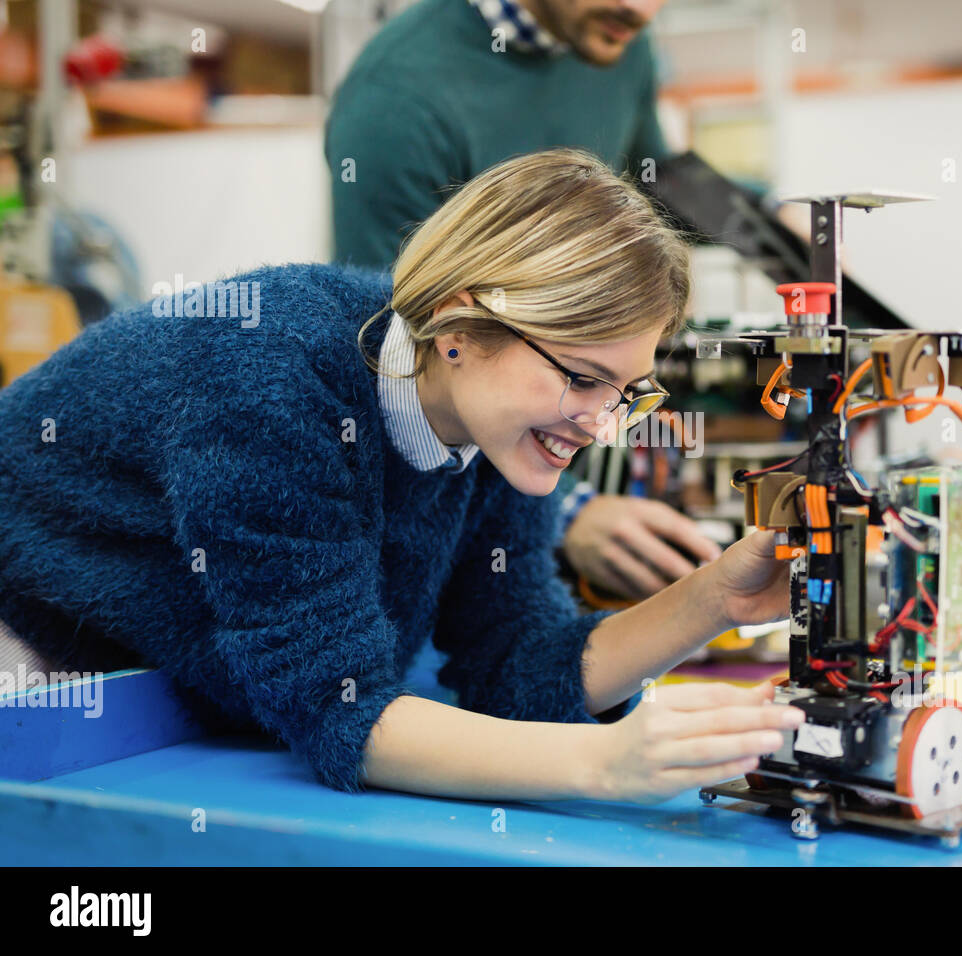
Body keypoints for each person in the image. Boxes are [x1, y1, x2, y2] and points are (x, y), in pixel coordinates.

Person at [0, 149, 804, 801]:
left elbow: (515, 661)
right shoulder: (272, 379)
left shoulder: (498, 425)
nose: (600, 423)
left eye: (627, 392)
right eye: (583, 379)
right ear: (458, 325)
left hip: (162, 683)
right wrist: (603, 765)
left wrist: (714, 600)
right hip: (29, 639)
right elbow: (337, 709)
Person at [325, 0, 721, 601]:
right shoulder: (395, 99)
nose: (643, 10)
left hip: (528, 459)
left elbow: (657, 190)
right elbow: (406, 349)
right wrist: (568, 512)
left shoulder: (615, 35)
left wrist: (781, 231)